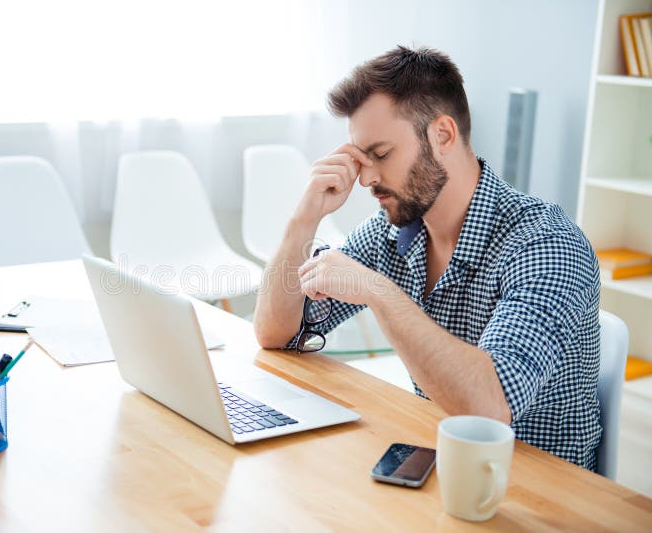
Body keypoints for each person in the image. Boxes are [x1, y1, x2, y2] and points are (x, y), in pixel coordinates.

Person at [253, 46, 601, 470]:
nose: (366, 178)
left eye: (380, 155)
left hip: (540, 489)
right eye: (361, 159)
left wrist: (377, 291)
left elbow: (489, 409)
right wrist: (304, 218)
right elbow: (275, 332)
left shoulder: (546, 245)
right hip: (439, 461)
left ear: (443, 135)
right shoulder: (398, 228)